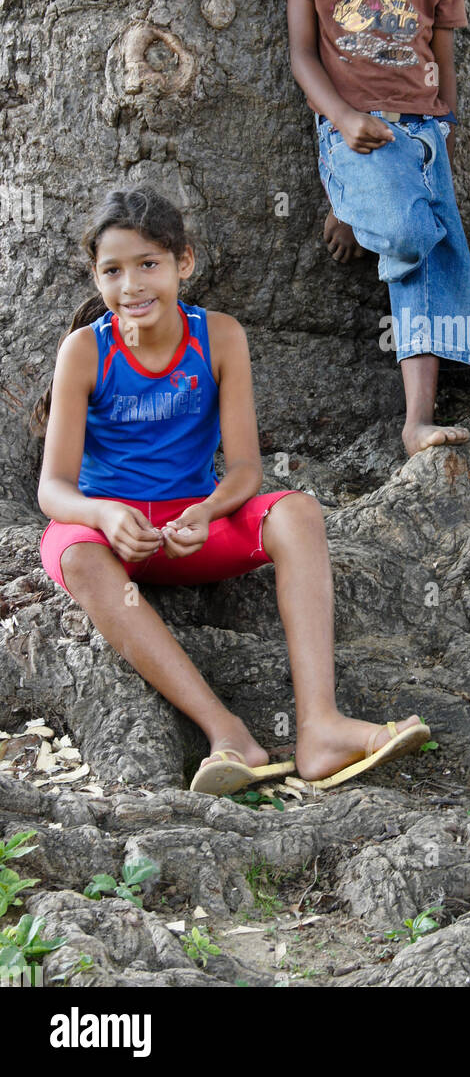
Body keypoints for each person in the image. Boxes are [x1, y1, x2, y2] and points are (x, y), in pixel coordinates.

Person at [34, 188, 429, 796]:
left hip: (193, 530)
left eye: (149, 264)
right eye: (113, 270)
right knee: (77, 554)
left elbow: (246, 469)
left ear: (183, 263)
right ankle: (229, 736)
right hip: (108, 538)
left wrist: (209, 510)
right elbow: (53, 489)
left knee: (297, 511)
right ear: (96, 277)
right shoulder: (85, 350)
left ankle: (319, 727)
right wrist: (104, 515)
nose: (132, 285)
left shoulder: (218, 338)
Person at [272, 0, 470, 457]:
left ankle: (417, 420)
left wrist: (444, 122)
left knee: (436, 260)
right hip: (356, 129)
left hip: (423, 138)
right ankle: (356, 205)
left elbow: (443, 61)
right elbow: (303, 56)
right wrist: (343, 117)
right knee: (410, 232)